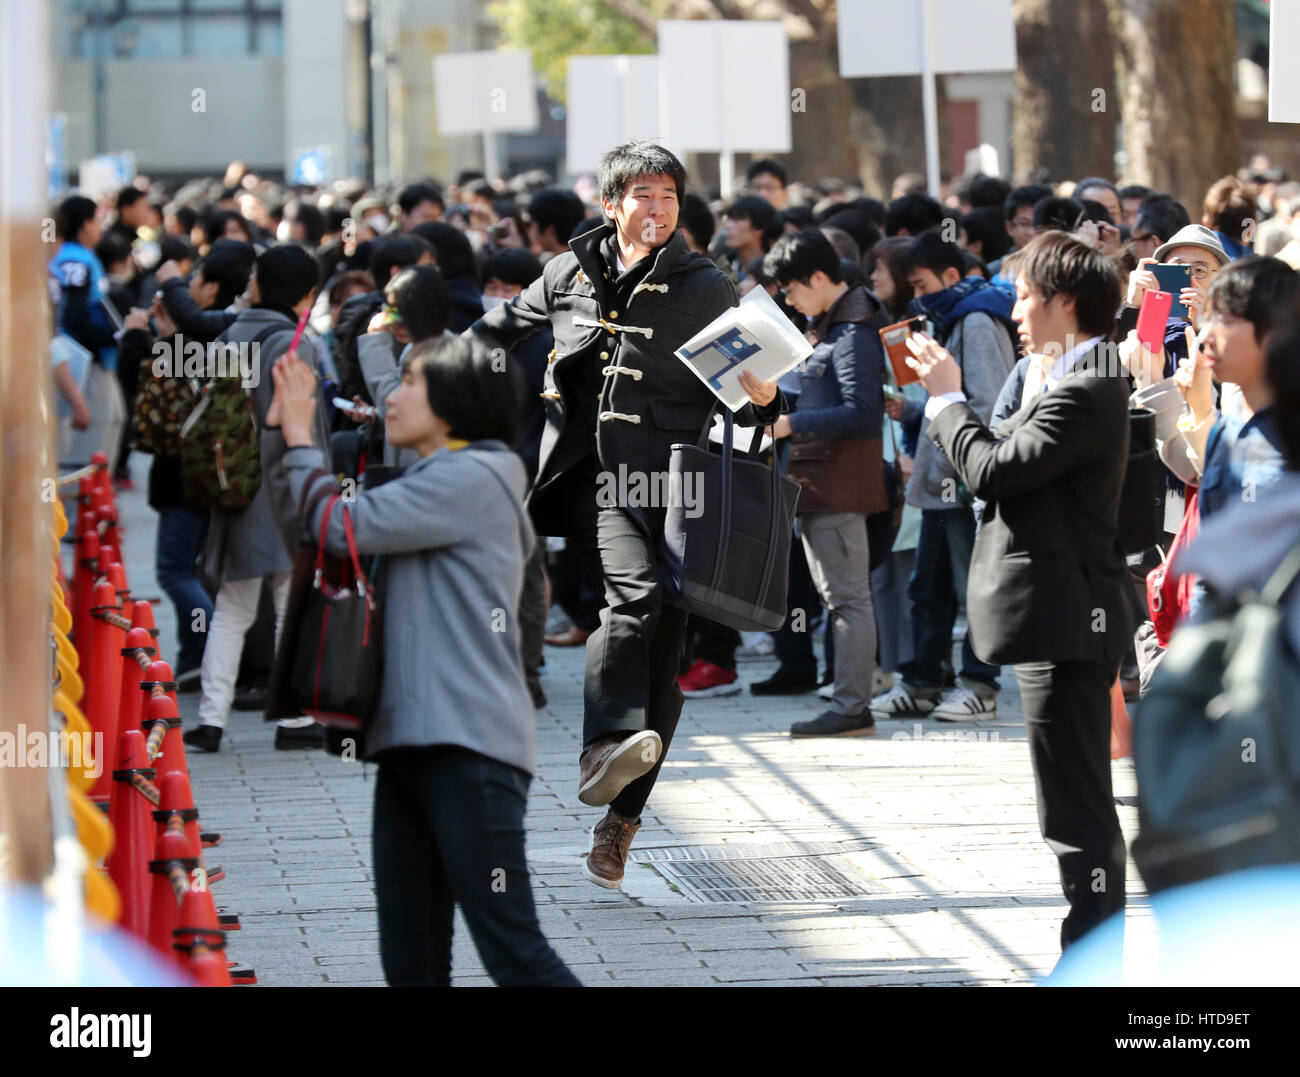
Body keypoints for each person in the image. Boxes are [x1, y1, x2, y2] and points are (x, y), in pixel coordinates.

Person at [465, 141, 783, 889]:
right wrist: (436, 370)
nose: (658, 208)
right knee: (631, 597)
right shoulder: (568, 274)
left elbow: (743, 388)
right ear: (611, 206)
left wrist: (763, 394)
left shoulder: (707, 284)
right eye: (643, 195)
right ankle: (602, 743)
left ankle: (621, 822)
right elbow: (501, 328)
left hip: (684, 485)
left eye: (669, 195)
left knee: (666, 661)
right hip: (601, 479)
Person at [267, 338, 579, 987]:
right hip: (412, 740)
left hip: (468, 744)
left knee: (514, 951)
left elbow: (337, 526)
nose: (392, 395)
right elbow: (326, 523)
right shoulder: (442, 475)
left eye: (410, 381)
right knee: (411, 961)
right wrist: (295, 440)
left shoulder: (472, 477)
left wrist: (301, 438)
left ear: (455, 400)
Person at [905, 230, 1133, 951]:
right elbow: (997, 448)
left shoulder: (1090, 385)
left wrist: (945, 403)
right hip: (1052, 617)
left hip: (1070, 618)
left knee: (1078, 811)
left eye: (1028, 297)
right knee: (1066, 804)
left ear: (1066, 302)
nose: (1016, 311)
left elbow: (994, 469)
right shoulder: (1048, 372)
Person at [183, 244, 330, 754]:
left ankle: (210, 720)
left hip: (235, 488)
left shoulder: (228, 335)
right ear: (309, 294)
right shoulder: (294, 343)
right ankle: (294, 721)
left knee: (232, 606)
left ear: (258, 285)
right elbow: (302, 425)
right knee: (293, 605)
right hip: (286, 489)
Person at [871, 232, 1016, 722]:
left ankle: (980, 684)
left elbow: (987, 404)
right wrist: (914, 409)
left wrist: (950, 443)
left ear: (952, 276)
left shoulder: (975, 320)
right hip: (938, 483)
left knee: (971, 585)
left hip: (965, 479)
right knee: (927, 588)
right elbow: (947, 401)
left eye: (922, 283)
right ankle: (923, 682)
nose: (917, 295)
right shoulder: (950, 317)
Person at [763, 229, 887, 736]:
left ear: (818, 277)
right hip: (820, 481)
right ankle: (849, 703)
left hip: (837, 483)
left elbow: (862, 413)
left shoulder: (853, 330)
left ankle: (852, 707)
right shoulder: (832, 324)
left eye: (791, 288)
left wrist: (792, 424)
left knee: (847, 600)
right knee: (841, 598)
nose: (788, 299)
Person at [523, 188, 586, 261]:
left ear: (549, 229)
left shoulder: (556, 267)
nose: (528, 231)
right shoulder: (588, 260)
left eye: (530, 225)